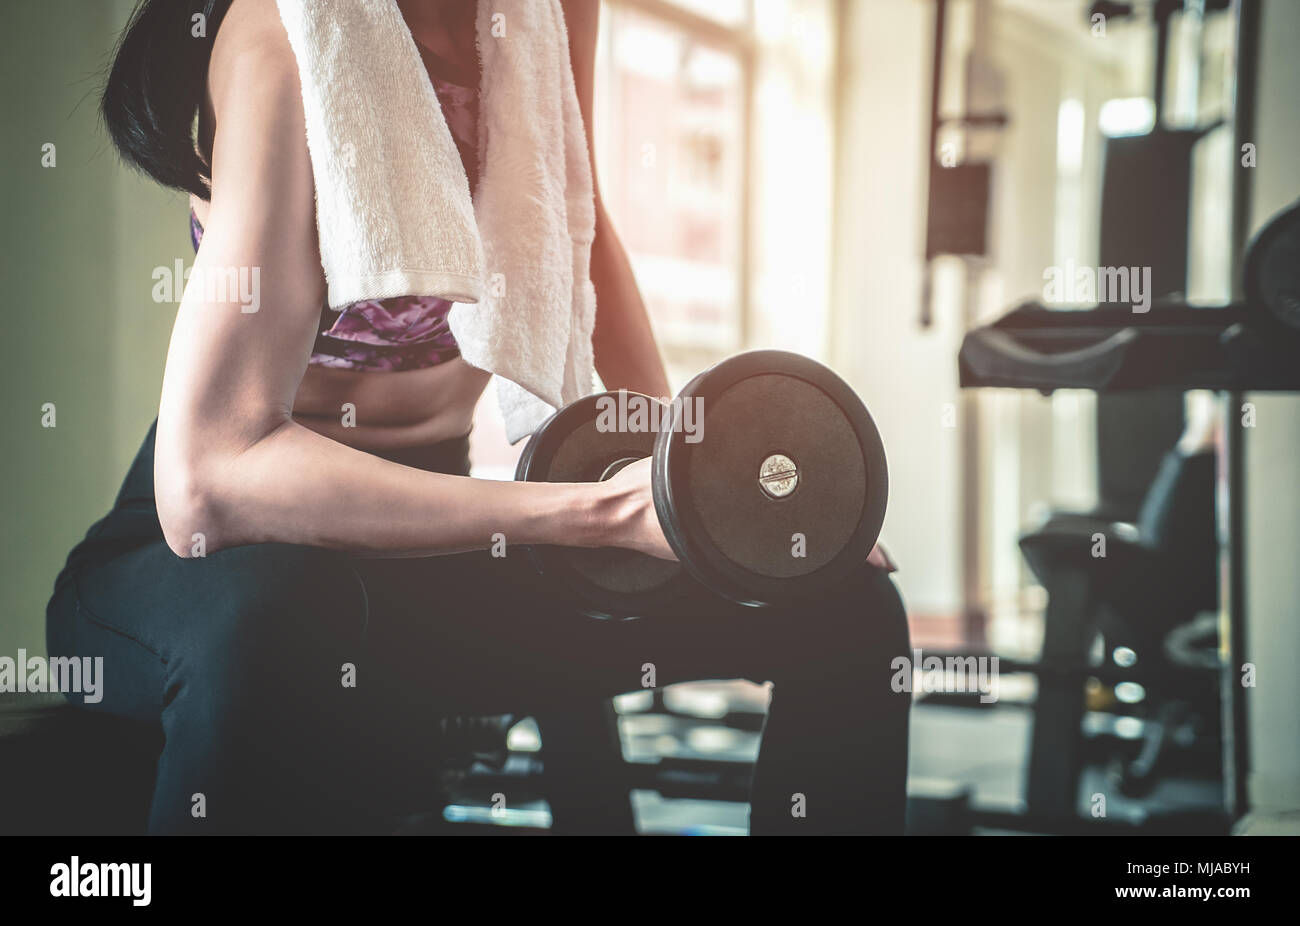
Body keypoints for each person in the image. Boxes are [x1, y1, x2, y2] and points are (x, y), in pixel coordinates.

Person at [45, 0, 910, 835]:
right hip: (201, 567)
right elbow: (211, 484)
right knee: (282, 609)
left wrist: (693, 484)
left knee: (842, 603)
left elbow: (579, 215)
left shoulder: (543, 11)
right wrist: (601, 512)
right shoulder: (280, 30)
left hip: (430, 546)